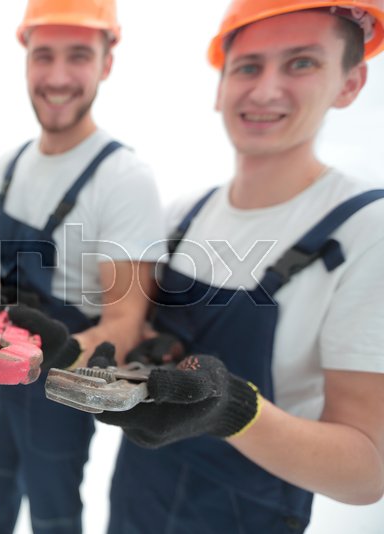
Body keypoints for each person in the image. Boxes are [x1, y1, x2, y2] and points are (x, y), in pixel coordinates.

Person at [91, 1, 384, 532]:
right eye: (248, 66)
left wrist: (232, 411)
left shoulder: (367, 232)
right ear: (221, 85)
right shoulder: (182, 215)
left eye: (301, 63)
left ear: (350, 82)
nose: (266, 90)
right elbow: (134, 331)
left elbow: (367, 472)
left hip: (246, 516)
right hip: (137, 497)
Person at [0, 0, 165, 532]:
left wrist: (40, 352)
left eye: (78, 55)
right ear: (25, 58)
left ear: (106, 62)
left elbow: (124, 324)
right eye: (43, 55)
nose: (57, 76)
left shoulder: (123, 181)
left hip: (61, 387)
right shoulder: (9, 166)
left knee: (54, 515)